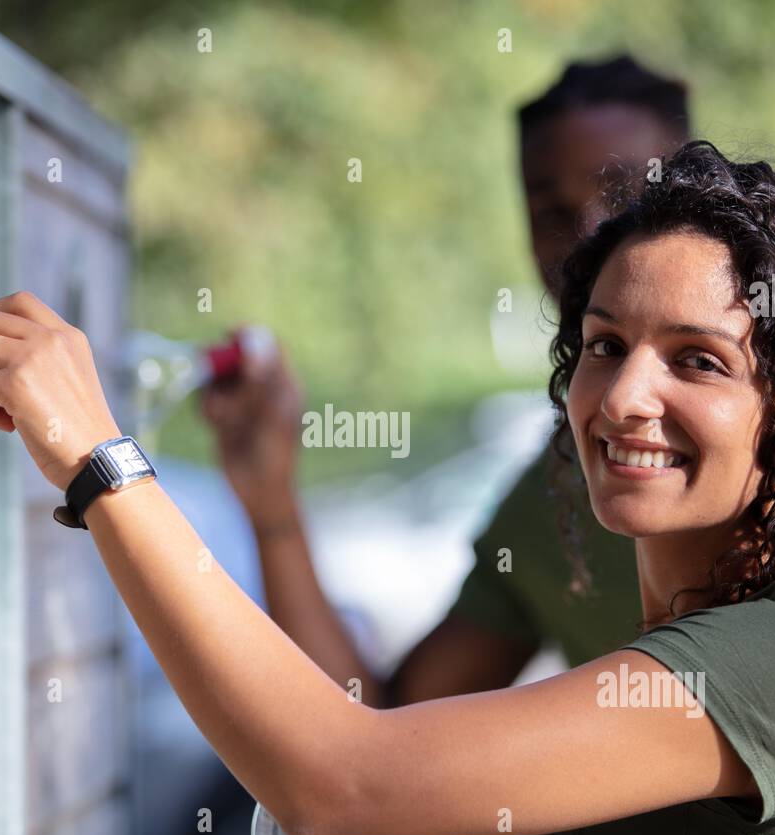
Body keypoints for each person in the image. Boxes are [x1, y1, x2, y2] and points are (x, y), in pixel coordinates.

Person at [0, 142, 775, 835]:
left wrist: (97, 459)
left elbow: (336, 773)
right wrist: (270, 501)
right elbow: (376, 734)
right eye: (604, 346)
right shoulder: (729, 644)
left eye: (697, 360)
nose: (627, 396)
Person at [201, 56, 691, 721]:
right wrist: (270, 501)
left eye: (627, 191)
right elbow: (377, 731)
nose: (589, 234)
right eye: (552, 209)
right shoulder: (555, 500)